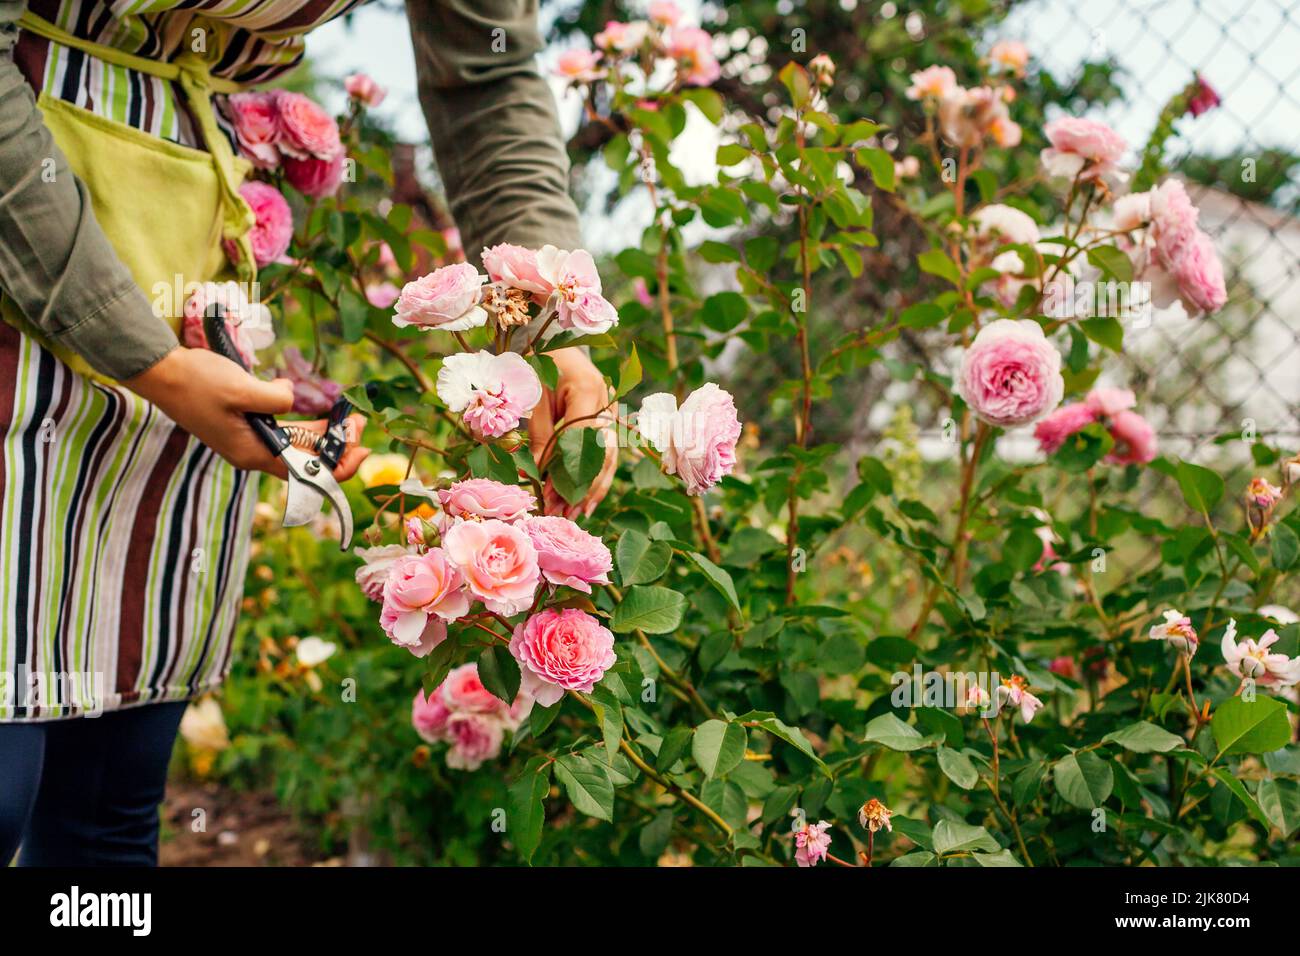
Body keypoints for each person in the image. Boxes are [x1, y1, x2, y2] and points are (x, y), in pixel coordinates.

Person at [0, 0, 614, 866]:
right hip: (17, 176)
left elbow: (485, 72)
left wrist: (551, 329)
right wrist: (146, 358)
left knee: (109, 792)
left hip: (186, 221)